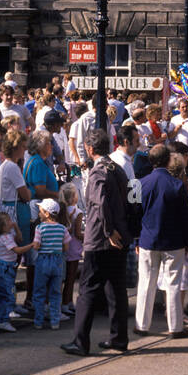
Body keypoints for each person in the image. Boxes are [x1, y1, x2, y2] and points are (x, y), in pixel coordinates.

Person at [61, 129, 131, 357]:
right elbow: (131, 200)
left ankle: (80, 342)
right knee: (115, 288)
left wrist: (109, 230)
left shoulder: (98, 171)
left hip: (101, 238)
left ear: (90, 150)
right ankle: (118, 338)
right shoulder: (117, 169)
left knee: (88, 290)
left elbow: (100, 204)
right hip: (118, 237)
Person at [133, 143, 188, 337]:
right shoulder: (177, 185)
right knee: (173, 284)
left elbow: (133, 215)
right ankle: (176, 327)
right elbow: (186, 217)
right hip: (173, 241)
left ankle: (141, 325)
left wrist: (135, 239)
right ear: (169, 160)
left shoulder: (138, 184)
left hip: (147, 240)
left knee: (145, 283)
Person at [32, 198, 73, 330]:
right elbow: (66, 248)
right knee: (55, 293)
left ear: (47, 213)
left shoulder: (39, 228)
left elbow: (36, 246)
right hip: (58, 261)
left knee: (39, 292)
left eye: (40, 212)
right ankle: (55, 321)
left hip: (43, 260)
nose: (39, 214)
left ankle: (38, 321)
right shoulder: (62, 229)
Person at [0, 211, 33, 333]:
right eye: (8, 221)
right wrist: (31, 246)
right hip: (5, 268)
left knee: (2, 295)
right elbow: (18, 250)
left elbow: (19, 238)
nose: (11, 222)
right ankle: (3, 320)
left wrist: (16, 227)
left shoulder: (7, 235)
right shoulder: (5, 237)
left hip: (7, 267)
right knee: (7, 295)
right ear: (2, 226)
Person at [60, 181, 84, 318]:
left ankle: (65, 302)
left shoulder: (62, 209)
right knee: (71, 277)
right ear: (74, 197)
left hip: (64, 247)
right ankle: (67, 302)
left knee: (64, 277)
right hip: (74, 246)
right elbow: (78, 233)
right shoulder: (78, 212)